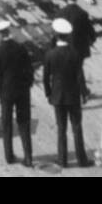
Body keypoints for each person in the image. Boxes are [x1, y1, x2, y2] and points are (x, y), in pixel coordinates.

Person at [0, 18, 34, 167]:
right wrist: (28, 84)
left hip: (6, 92)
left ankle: (9, 156)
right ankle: (28, 157)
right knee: (24, 122)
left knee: (7, 124)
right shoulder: (21, 48)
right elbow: (30, 69)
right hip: (23, 91)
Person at [43, 18, 92, 167]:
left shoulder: (50, 54)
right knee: (77, 127)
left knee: (61, 128)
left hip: (57, 96)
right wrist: (84, 93)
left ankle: (62, 160)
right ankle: (82, 159)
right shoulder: (75, 53)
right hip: (73, 95)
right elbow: (79, 75)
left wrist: (48, 94)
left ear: (56, 35)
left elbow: (46, 78)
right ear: (67, 35)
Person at [57, 0, 97, 101]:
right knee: (78, 69)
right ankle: (82, 93)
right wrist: (92, 40)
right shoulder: (82, 13)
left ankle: (82, 91)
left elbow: (56, 31)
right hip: (79, 47)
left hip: (63, 46)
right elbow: (90, 31)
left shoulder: (60, 13)